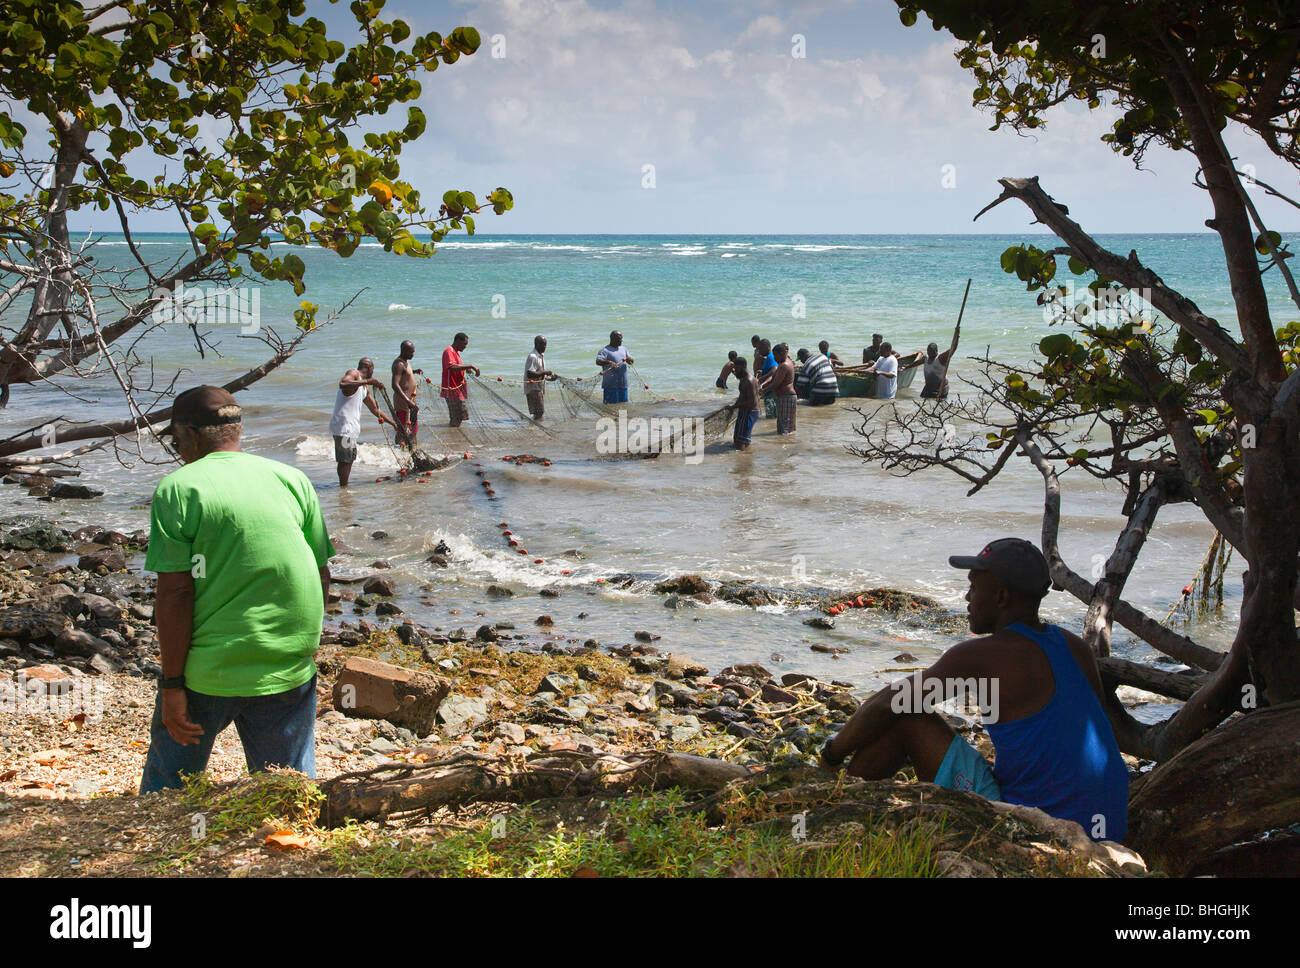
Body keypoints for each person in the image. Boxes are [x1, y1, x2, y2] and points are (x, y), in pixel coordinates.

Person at [819, 538, 1129, 843]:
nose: (967, 597)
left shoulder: (983, 654)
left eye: (973, 586)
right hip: (1108, 829)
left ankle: (836, 809)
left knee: (906, 716)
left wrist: (831, 755)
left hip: (1042, 831)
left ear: (1002, 597)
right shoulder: (1075, 647)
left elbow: (891, 703)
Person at [139, 386, 334, 793]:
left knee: (167, 795)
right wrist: (305, 646)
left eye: (175, 441)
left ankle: (163, 836)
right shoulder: (291, 479)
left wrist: (172, 686)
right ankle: (290, 847)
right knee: (288, 795)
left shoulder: (179, 488)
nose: (177, 450)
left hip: (209, 674)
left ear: (189, 435)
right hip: (288, 669)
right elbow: (320, 573)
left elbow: (175, 594)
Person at [330, 357, 390, 486]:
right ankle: (343, 488)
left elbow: (375, 409)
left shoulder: (363, 387)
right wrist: (369, 380)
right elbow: (343, 384)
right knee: (345, 460)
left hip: (350, 429)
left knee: (349, 458)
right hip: (344, 427)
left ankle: (344, 486)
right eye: (373, 369)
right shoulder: (354, 374)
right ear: (370, 368)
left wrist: (394, 424)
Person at [441, 332, 480, 428]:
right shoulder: (449, 351)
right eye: (464, 344)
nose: (465, 347)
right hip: (452, 390)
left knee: (459, 416)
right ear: (457, 341)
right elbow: (451, 367)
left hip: (457, 390)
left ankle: (453, 434)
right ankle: (453, 436)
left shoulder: (456, 352)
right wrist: (470, 366)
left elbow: (456, 366)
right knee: (457, 417)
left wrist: (465, 368)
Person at [760, 342, 797, 435]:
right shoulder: (785, 363)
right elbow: (773, 376)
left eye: (775, 356)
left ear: (781, 354)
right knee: (785, 426)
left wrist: (763, 391)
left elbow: (776, 384)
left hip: (786, 397)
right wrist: (763, 384)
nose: (774, 358)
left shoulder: (784, 365)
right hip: (786, 397)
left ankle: (785, 446)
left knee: (785, 428)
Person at [391, 340, 423, 443]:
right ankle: (399, 451)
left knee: (413, 430)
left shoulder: (406, 362)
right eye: (410, 352)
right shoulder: (399, 364)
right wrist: (408, 401)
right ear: (403, 350)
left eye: (413, 352)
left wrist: (414, 371)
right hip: (403, 404)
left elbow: (405, 374)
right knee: (403, 431)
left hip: (411, 403)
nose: (412, 355)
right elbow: (395, 385)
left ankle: (412, 450)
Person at [921, 319, 960, 399]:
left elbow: (953, 349)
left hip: (941, 388)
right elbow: (916, 363)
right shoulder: (925, 358)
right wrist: (906, 367)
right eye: (928, 351)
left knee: (939, 406)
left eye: (931, 352)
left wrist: (957, 335)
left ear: (936, 351)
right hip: (928, 388)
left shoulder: (941, 358)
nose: (929, 353)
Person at [726, 357, 759, 450]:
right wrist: (734, 406)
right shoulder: (744, 379)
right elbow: (742, 396)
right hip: (746, 411)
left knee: (740, 442)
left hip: (749, 412)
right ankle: (746, 457)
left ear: (743, 366)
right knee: (740, 439)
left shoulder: (749, 380)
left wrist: (735, 406)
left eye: (736, 369)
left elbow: (752, 401)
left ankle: (743, 462)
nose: (734, 371)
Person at [597, 330, 634, 404]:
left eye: (621, 338)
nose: (621, 340)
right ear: (612, 339)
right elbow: (598, 361)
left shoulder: (624, 349)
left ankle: (622, 416)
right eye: (619, 339)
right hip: (610, 386)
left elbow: (631, 361)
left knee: (623, 406)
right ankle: (610, 416)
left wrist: (630, 359)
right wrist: (609, 362)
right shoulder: (605, 350)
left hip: (623, 385)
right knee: (611, 407)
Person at [524, 335, 556, 420]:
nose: (545, 347)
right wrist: (545, 372)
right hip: (533, 389)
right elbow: (530, 373)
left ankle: (534, 428)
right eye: (543, 344)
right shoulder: (533, 356)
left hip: (538, 388)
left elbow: (539, 374)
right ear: (536, 344)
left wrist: (550, 378)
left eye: (545, 344)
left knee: (538, 412)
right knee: (539, 412)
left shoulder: (541, 355)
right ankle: (536, 430)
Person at [757, 338, 777, 418]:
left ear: (766, 346)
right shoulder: (769, 357)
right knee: (771, 415)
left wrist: (760, 379)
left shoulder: (771, 357)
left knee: (771, 416)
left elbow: (774, 370)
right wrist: (762, 372)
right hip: (769, 391)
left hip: (770, 391)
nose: (759, 351)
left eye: (760, 349)